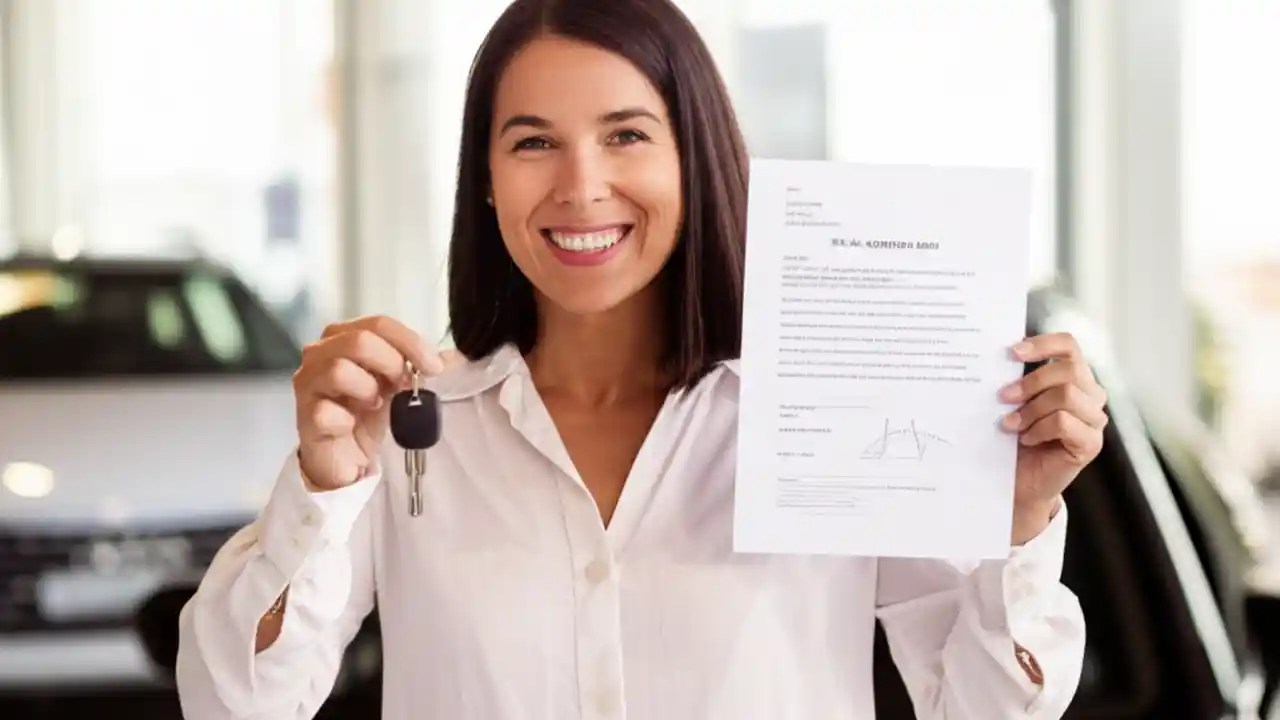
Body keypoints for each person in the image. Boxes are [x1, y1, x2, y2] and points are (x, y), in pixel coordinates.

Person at [176, 0, 1101, 717]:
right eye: (533, 142)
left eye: (626, 135)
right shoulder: (410, 432)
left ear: (693, 162)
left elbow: (986, 707)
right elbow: (233, 703)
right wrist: (323, 488)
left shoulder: (830, 418)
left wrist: (1015, 519)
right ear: (488, 187)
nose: (582, 187)